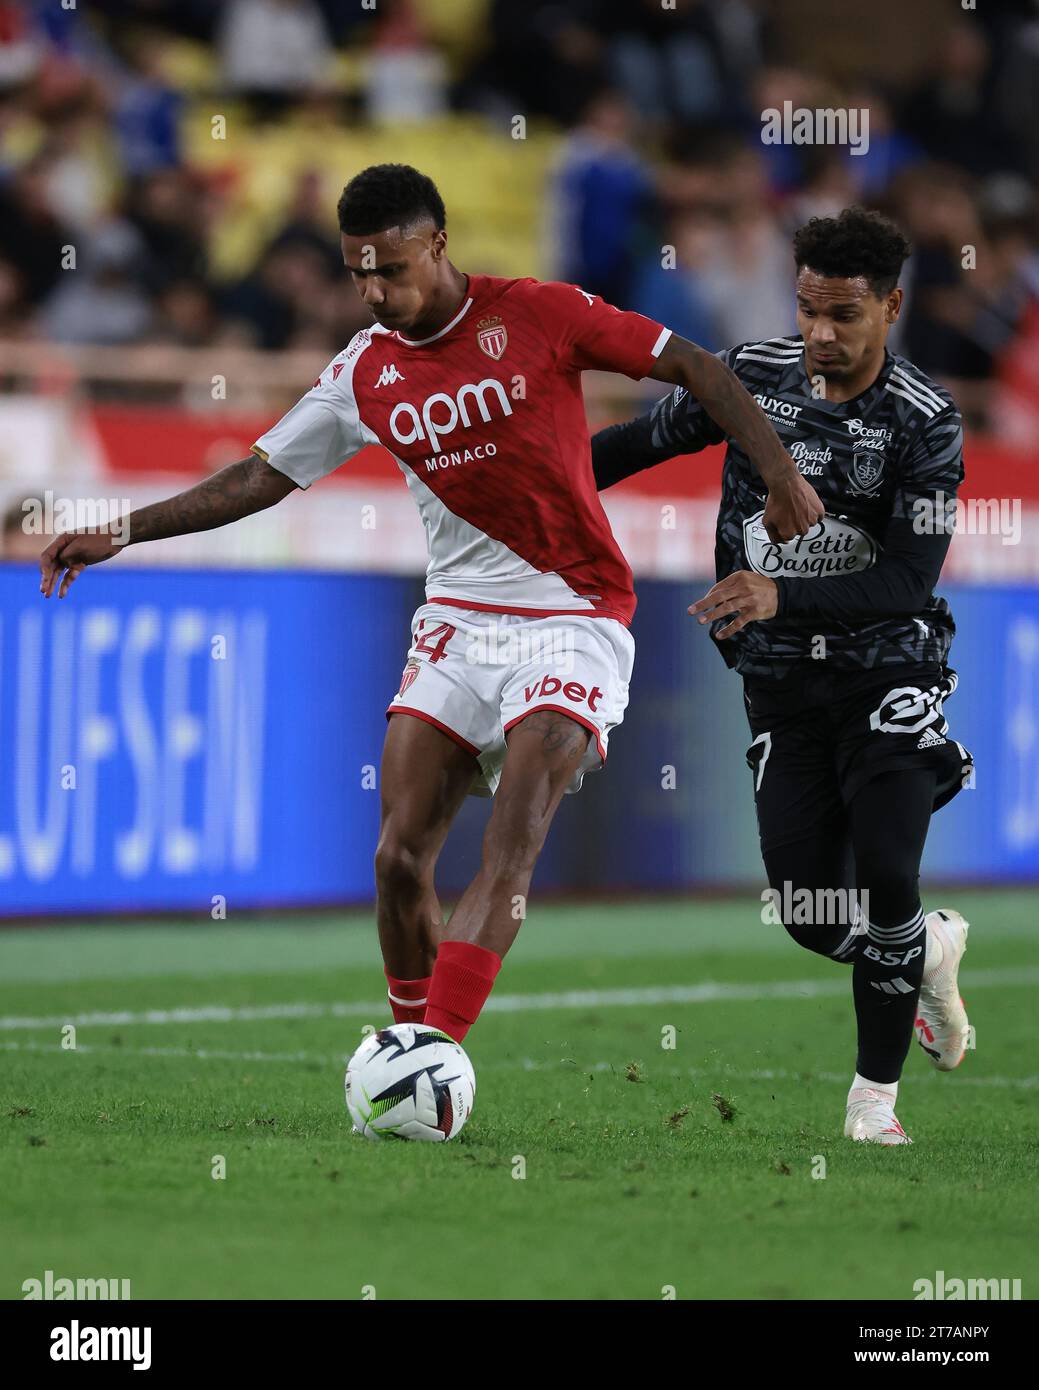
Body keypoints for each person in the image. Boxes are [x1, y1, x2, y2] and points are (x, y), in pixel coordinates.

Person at [39, 162, 820, 1046]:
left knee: (510, 845)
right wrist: (124, 529)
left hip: (572, 615)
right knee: (398, 857)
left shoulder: (540, 312)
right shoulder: (363, 371)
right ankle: (412, 1038)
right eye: (357, 273)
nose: (373, 290)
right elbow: (262, 476)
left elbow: (693, 365)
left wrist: (780, 473)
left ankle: (431, 1054)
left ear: (437, 244)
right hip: (456, 624)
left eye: (391, 269)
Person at [592, 206, 973, 1145]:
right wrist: (525, 482)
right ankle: (925, 949)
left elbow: (903, 582)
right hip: (779, 687)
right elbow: (634, 445)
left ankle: (871, 1106)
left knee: (888, 866)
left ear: (889, 306)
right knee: (810, 913)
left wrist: (779, 597)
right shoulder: (752, 376)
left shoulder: (925, 423)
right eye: (807, 310)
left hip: (887, 670)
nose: (818, 335)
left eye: (842, 315)